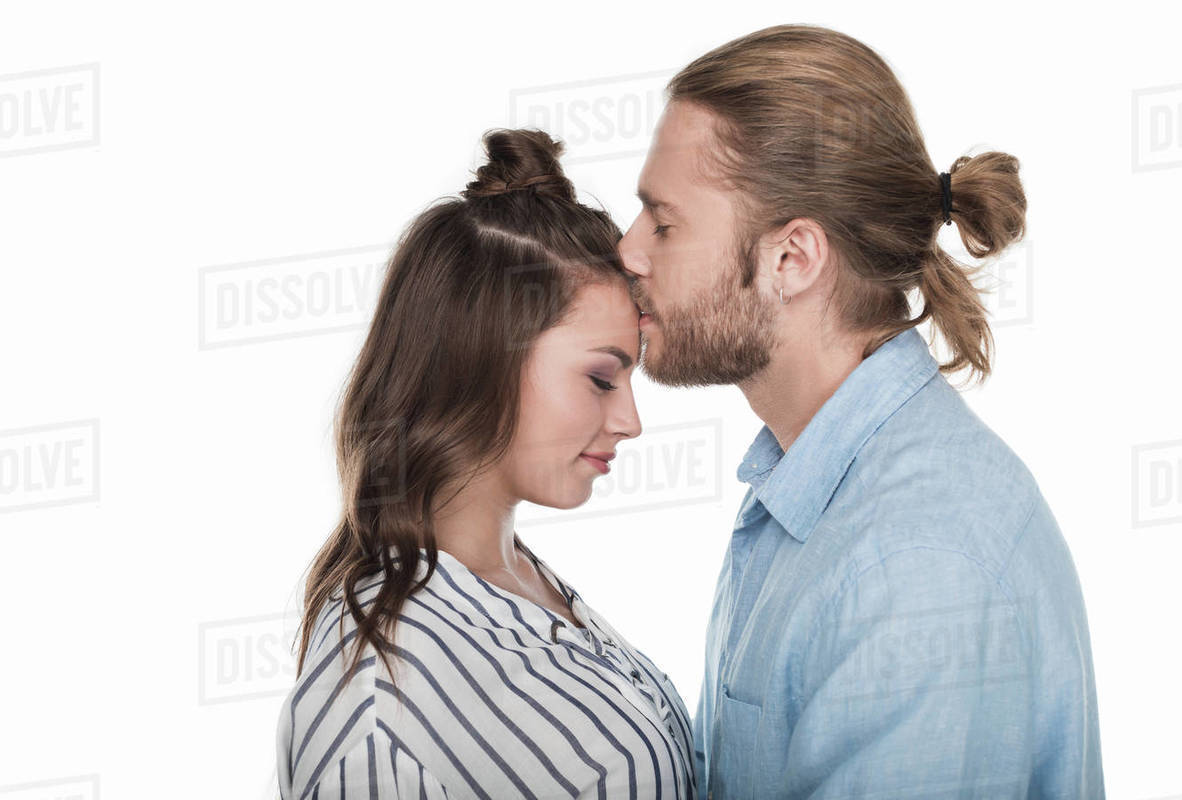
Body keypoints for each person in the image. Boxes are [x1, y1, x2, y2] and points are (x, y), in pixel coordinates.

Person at [617, 23, 1104, 799]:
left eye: (664, 223)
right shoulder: (812, 481)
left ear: (793, 259)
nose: (628, 250)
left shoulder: (915, 568)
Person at [276, 128, 697, 798]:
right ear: (485, 360)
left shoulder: (522, 579)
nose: (630, 422)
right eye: (599, 379)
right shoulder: (376, 701)